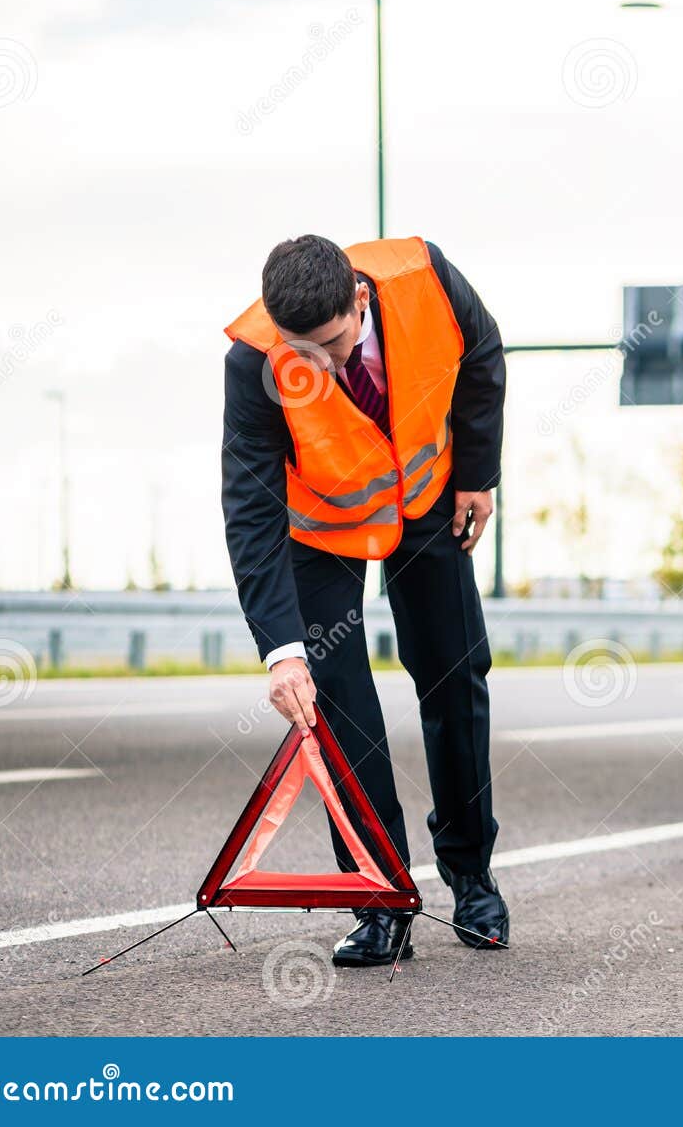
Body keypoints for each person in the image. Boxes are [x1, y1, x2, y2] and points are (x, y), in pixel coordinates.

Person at [220, 234, 508, 966]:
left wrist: (477, 475)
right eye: (303, 352)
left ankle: (472, 876)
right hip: (322, 524)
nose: (321, 365)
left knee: (455, 676)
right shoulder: (253, 358)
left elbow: (482, 355)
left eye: (334, 344)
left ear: (358, 299)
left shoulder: (425, 278)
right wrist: (281, 651)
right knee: (337, 700)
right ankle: (380, 898)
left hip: (426, 496)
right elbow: (251, 507)